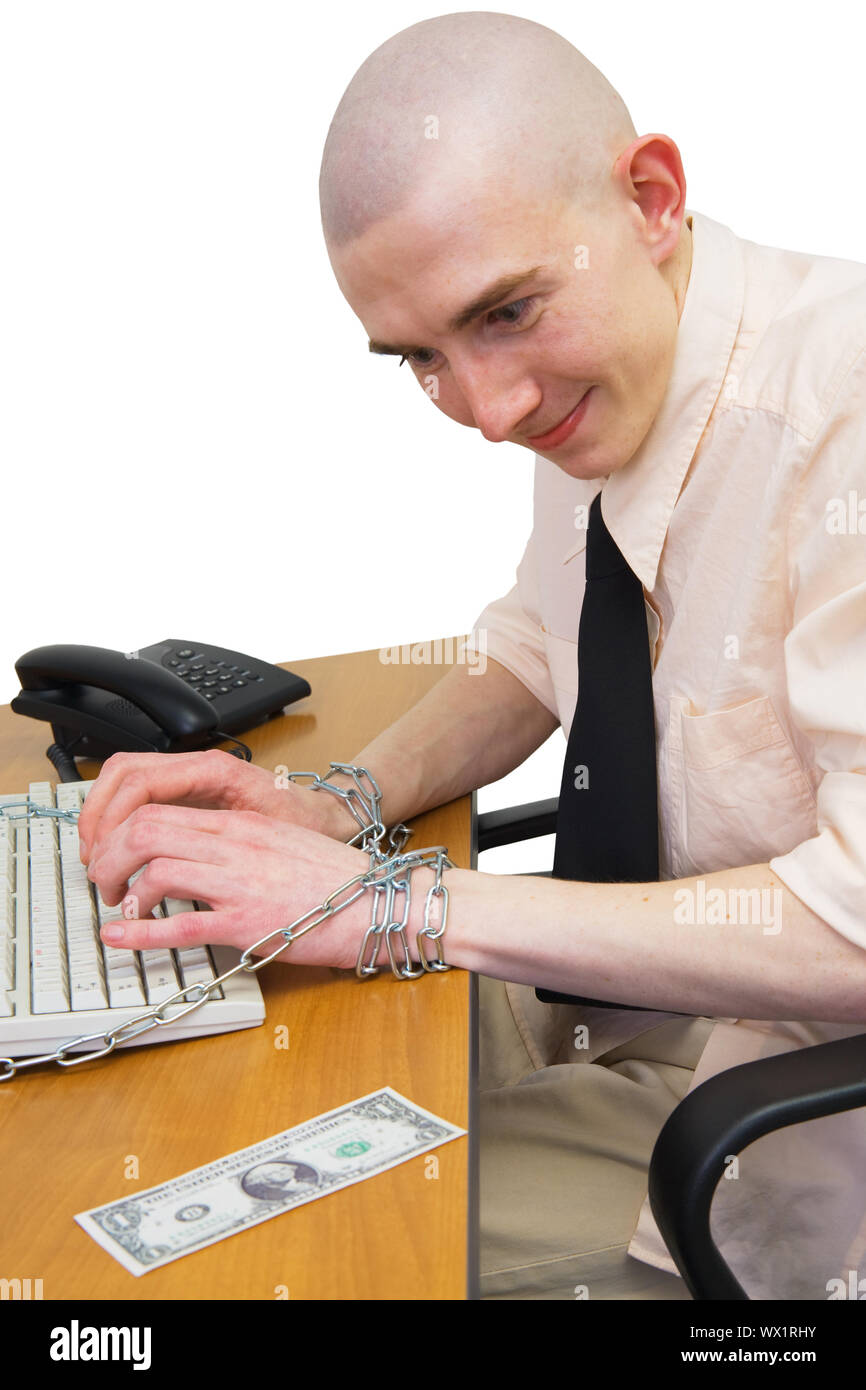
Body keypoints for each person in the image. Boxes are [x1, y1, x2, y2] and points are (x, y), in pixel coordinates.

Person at [76, 12, 866, 1300]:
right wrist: (335, 805)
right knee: (200, 1063)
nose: (490, 413)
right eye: (421, 359)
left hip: (788, 1123)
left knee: (237, 1254)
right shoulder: (620, 367)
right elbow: (540, 644)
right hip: (627, 1001)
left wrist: (394, 905)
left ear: (650, 198)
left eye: (505, 313)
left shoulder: (844, 409)